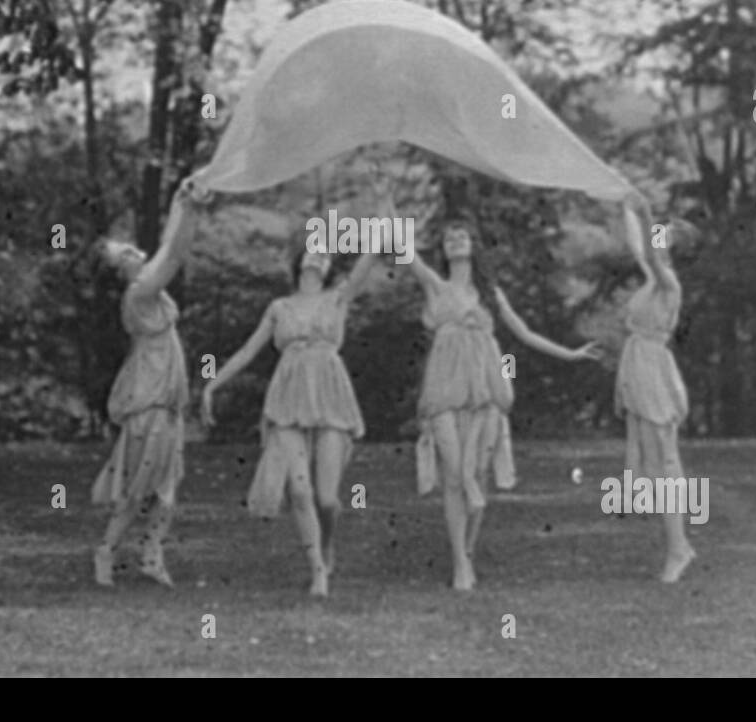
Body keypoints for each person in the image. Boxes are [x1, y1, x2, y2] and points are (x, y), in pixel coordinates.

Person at [402, 215, 600, 591]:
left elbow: (524, 333)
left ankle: (467, 554)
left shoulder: (490, 294)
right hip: (445, 385)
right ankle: (460, 563)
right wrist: (383, 199)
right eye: (449, 237)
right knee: (454, 472)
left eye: (462, 235)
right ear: (443, 250)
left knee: (476, 474)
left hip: (486, 386)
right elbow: (402, 247)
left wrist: (571, 355)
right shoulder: (436, 286)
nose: (456, 240)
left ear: (474, 246)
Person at [201, 230, 381, 598]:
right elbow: (248, 350)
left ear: (330, 264)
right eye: (312, 250)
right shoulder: (279, 307)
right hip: (287, 397)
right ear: (299, 259)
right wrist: (211, 384)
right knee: (299, 490)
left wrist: (384, 205)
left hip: (330, 394)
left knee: (327, 498)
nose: (318, 256)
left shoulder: (338, 297)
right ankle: (317, 570)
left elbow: (370, 256)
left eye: (325, 252)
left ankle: (327, 544)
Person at [90, 179, 208, 587]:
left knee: (167, 490)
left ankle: (151, 555)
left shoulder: (150, 292)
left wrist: (183, 205)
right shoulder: (140, 294)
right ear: (121, 272)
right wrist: (188, 209)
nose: (133, 251)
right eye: (123, 253)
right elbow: (173, 255)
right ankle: (106, 551)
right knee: (141, 488)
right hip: (150, 403)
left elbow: (169, 250)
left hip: (167, 403)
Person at [617, 191, 695, 583]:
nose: (656, 237)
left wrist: (645, 212)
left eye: (664, 235)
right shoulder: (652, 280)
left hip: (653, 369)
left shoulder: (668, 283)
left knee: (663, 462)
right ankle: (677, 545)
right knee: (650, 463)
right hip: (639, 366)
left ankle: (679, 548)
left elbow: (647, 253)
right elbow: (638, 246)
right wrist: (623, 203)